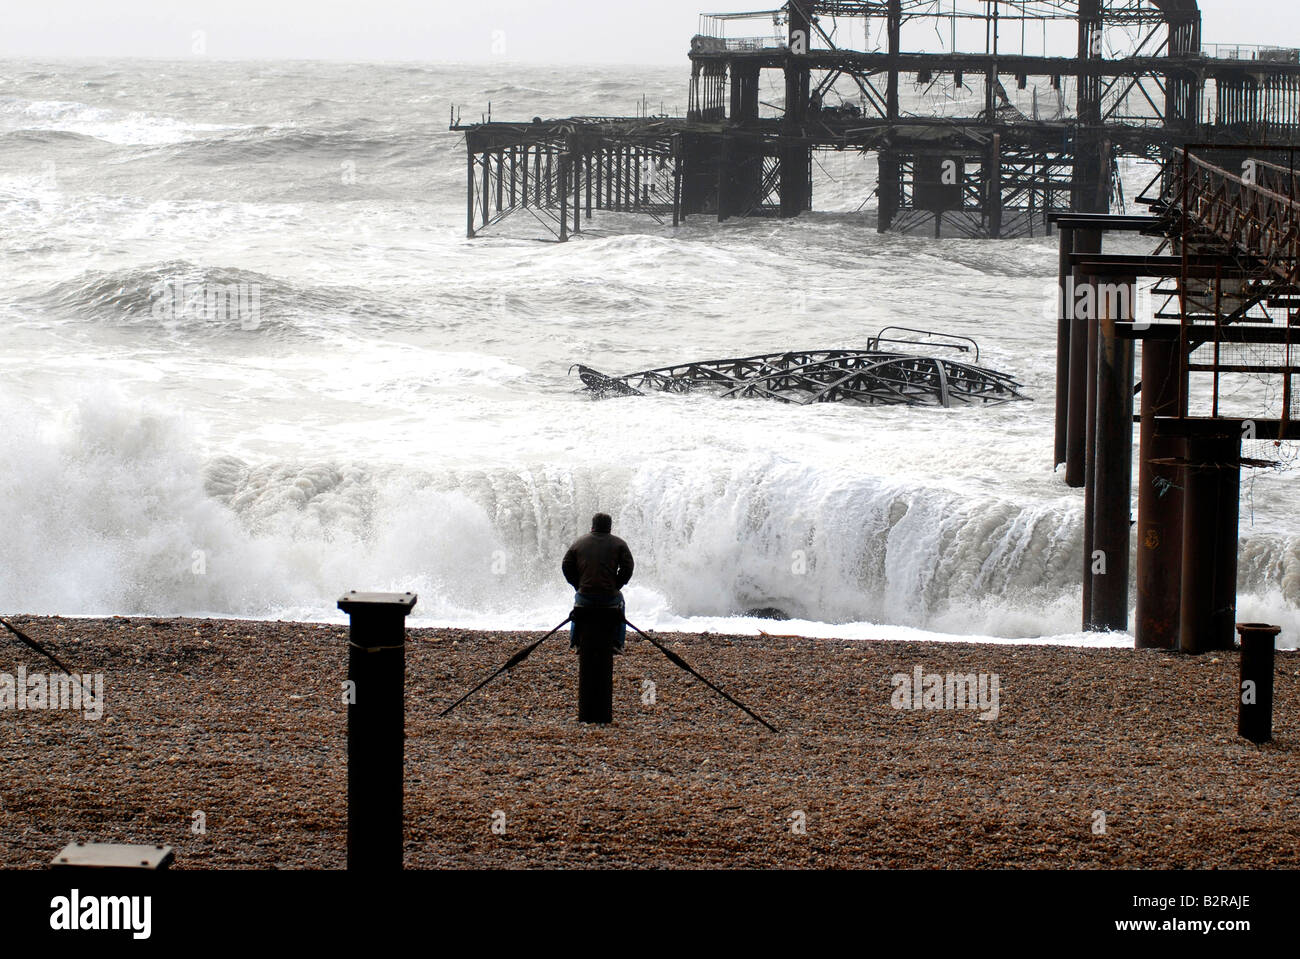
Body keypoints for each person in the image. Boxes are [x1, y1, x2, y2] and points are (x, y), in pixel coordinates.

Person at [562, 513, 634, 653]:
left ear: (592, 525)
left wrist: (578, 585)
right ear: (610, 526)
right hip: (609, 596)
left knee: (577, 606)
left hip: (585, 595)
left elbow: (566, 565)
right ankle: (617, 643)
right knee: (621, 604)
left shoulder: (579, 543)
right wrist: (617, 585)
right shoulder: (619, 543)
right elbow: (628, 567)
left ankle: (575, 642)